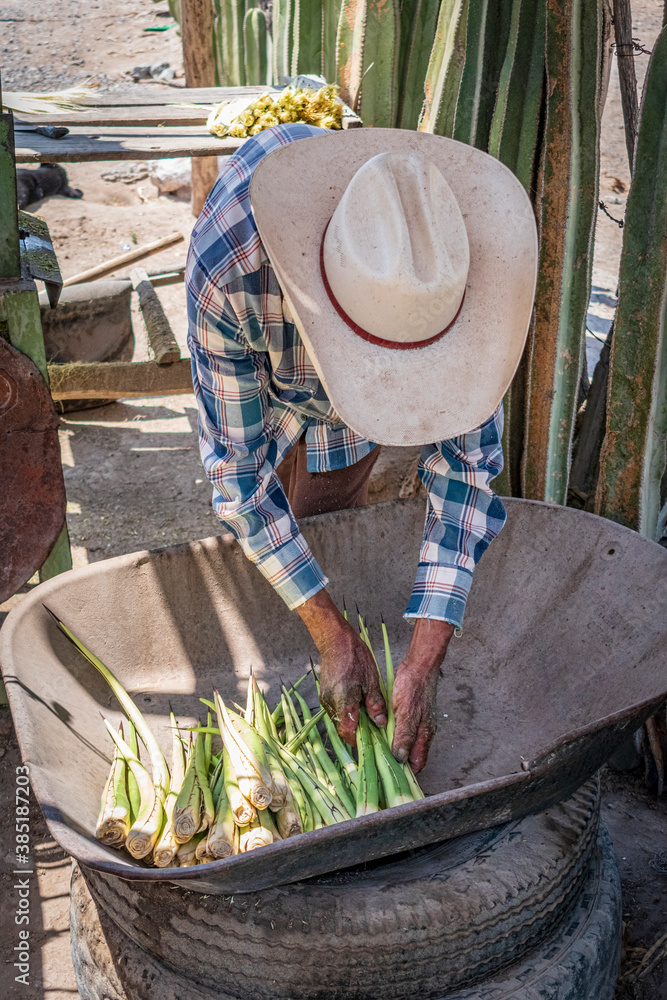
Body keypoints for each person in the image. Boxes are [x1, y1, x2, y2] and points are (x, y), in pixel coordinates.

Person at [186, 123, 537, 772]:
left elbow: (466, 474)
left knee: (328, 510)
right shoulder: (231, 274)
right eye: (371, 366)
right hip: (274, 355)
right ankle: (320, 646)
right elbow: (238, 476)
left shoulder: (453, 271)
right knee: (271, 507)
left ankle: (337, 660)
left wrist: (426, 654)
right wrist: (331, 633)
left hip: (349, 343)